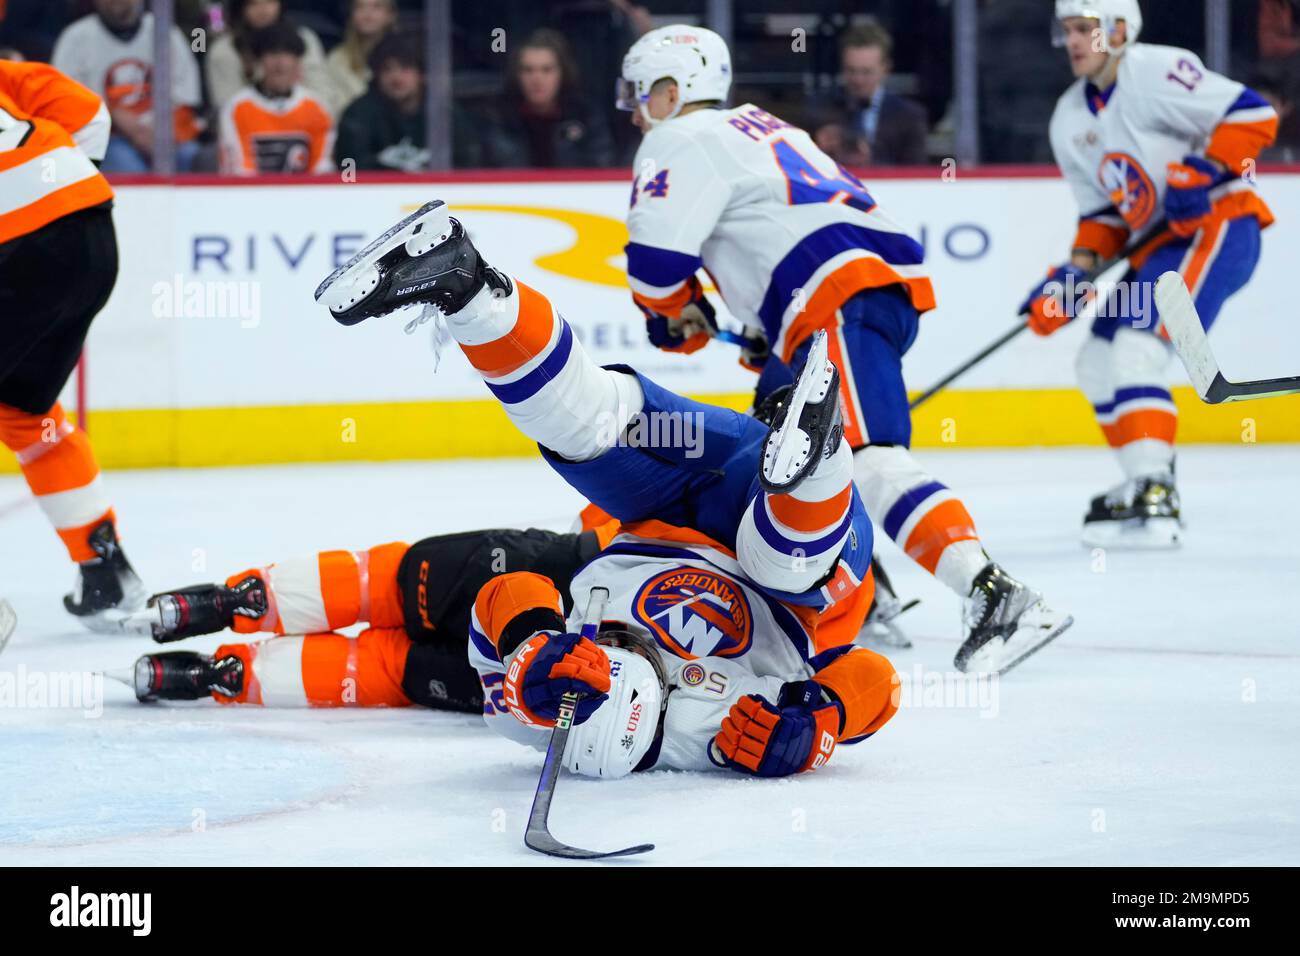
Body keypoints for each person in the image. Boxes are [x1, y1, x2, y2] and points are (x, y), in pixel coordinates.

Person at [312, 199, 914, 779]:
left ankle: (464, 284)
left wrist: (531, 644)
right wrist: (820, 720)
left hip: (676, 494)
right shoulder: (717, 733)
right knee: (780, 563)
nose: (623, 638)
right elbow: (877, 678)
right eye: (639, 653)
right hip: (799, 554)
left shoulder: (527, 710)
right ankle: (820, 455)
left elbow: (505, 591)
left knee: (584, 421)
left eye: (615, 647)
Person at [616, 25, 1071, 672]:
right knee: (779, 445)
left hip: (834, 298)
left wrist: (669, 311)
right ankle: (861, 591)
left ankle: (997, 597)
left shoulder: (677, 138)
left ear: (670, 91)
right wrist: (759, 330)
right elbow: (781, 228)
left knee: (866, 458)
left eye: (638, 95)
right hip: (853, 293)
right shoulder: (760, 127)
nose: (634, 111)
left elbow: (655, 264)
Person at [1023, 0, 1277, 547]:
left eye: (1083, 29)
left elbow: (1254, 114)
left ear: (1117, 29)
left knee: (1137, 349)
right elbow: (1104, 219)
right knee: (1096, 361)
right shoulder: (1068, 119)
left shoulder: (1156, 70)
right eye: (1067, 30)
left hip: (1219, 225)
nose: (1072, 41)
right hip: (1159, 248)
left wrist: (1203, 169)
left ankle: (1157, 487)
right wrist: (1071, 277)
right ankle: (1144, 480)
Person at [122, 526, 608, 711]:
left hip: (555, 669)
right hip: (560, 580)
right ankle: (239, 604)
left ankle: (228, 674)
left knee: (389, 670)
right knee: (393, 585)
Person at [0, 59, 146, 629]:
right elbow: (89, 112)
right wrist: (53, 191)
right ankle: (104, 570)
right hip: (91, 231)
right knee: (21, 411)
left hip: (20, 250)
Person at [50, 0, 204, 173]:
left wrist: (155, 135)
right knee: (127, 164)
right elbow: (62, 106)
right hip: (106, 142)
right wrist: (114, 117)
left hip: (166, 136)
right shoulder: (75, 37)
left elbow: (186, 100)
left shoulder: (164, 31)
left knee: (195, 157)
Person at [473, 28, 615, 169]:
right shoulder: (498, 118)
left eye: (546, 70)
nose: (537, 79)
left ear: (562, 73)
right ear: (516, 75)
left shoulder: (586, 117)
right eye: (528, 70)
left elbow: (600, 168)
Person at [218, 21, 334, 175]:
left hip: (306, 196)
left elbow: (321, 169)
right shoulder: (237, 108)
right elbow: (239, 172)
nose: (280, 63)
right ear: (259, 61)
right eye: (272, 53)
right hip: (250, 196)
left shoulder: (317, 108)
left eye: (287, 54)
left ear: (298, 62)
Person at [808, 22, 929, 167]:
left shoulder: (909, 117)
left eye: (867, 72)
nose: (858, 80)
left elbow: (916, 175)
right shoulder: (821, 109)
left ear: (886, 68)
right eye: (851, 71)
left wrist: (870, 162)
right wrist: (817, 148)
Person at [205, 0, 328, 114]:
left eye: (269, 1)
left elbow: (323, 95)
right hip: (249, 127)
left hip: (305, 122)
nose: (263, 10)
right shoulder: (224, 50)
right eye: (253, 3)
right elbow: (227, 108)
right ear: (241, 7)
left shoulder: (304, 39)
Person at [332, 32, 431, 172]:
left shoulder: (442, 111)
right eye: (387, 69)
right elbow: (348, 171)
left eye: (405, 68)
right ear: (377, 75)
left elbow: (467, 160)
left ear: (421, 75)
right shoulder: (358, 114)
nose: (396, 78)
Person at [320, 0, 395, 116]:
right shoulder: (337, 59)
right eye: (360, 7)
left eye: (377, 7)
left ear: (390, 15)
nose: (368, 14)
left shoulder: (404, 59)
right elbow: (330, 105)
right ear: (351, 15)